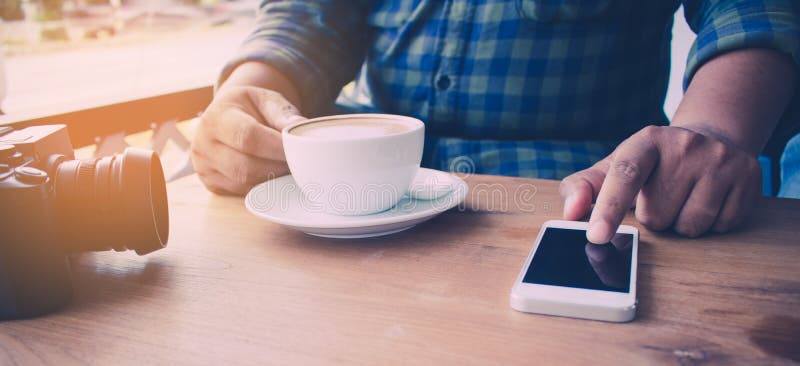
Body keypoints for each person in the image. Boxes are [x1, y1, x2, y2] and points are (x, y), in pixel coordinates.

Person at [191, 1, 799, 243]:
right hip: (344, 213)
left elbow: (752, 7)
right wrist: (248, 95)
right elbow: (309, 15)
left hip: (587, 213)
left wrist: (716, 130)